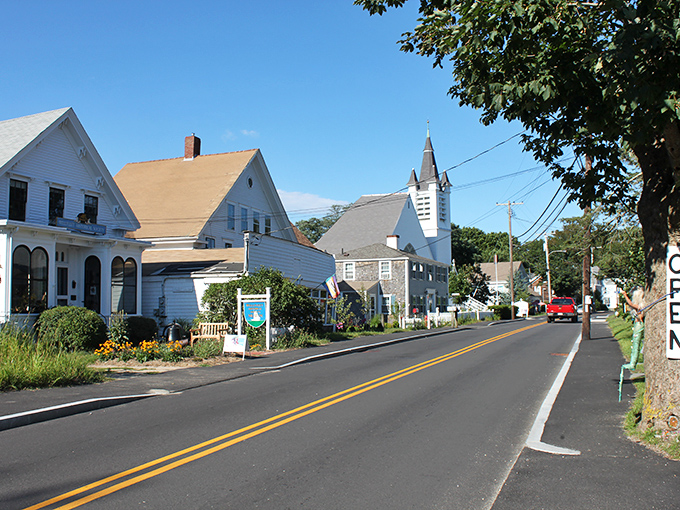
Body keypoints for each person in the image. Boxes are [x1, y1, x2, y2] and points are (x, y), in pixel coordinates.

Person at [619, 287, 645, 401]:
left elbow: (630, 304)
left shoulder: (640, 307)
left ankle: (633, 363)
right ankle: (633, 362)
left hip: (638, 328)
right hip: (637, 327)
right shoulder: (641, 307)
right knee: (635, 345)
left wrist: (625, 295)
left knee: (636, 344)